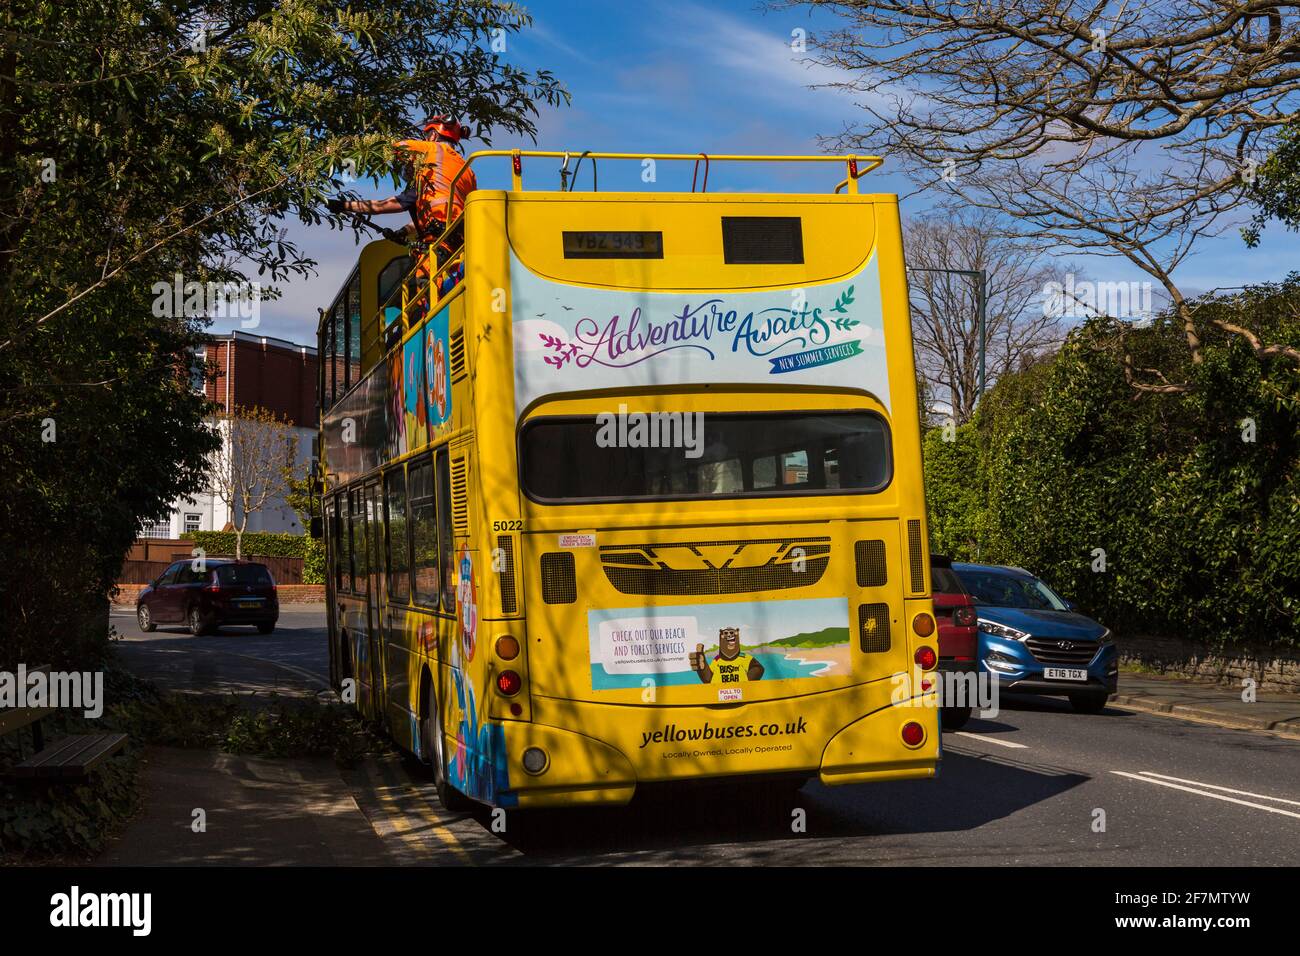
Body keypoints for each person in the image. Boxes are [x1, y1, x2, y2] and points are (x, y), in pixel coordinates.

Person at [328, 116, 477, 268]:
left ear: (433, 135)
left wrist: (344, 205)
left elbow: (390, 148)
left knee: (427, 286)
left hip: (437, 246)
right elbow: (444, 211)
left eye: (427, 136)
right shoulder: (467, 170)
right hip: (461, 243)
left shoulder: (431, 149)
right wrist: (403, 232)